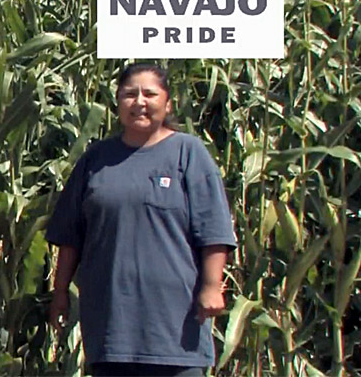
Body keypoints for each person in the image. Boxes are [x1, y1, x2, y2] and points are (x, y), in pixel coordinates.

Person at [45, 63, 237, 377]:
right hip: (111, 327)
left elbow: (214, 229)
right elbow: (70, 236)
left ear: (168, 102)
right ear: (118, 101)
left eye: (150, 93)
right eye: (129, 94)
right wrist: (61, 292)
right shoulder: (96, 160)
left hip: (177, 330)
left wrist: (212, 286)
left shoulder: (188, 153)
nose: (139, 102)